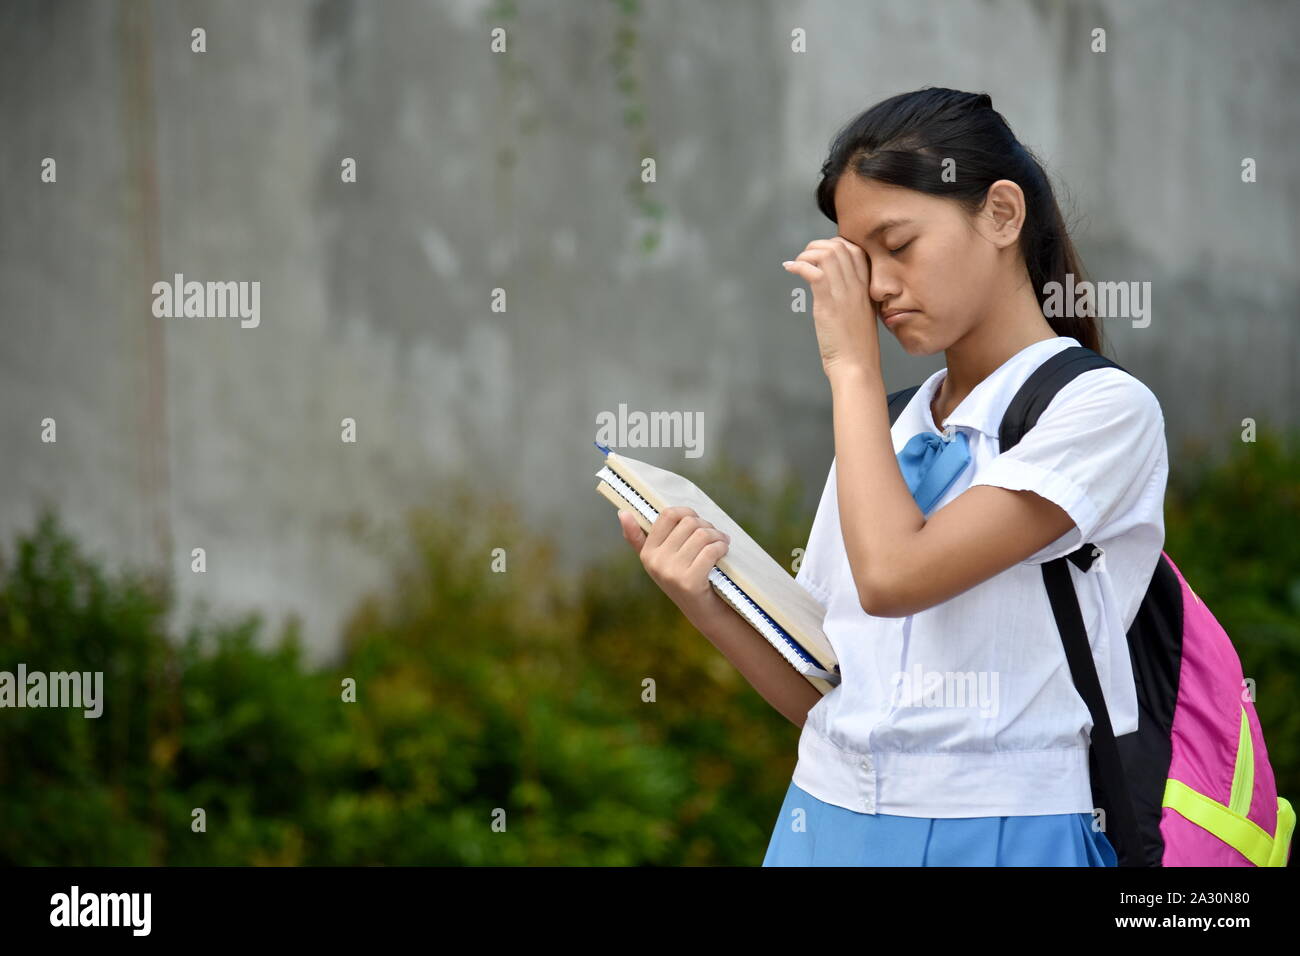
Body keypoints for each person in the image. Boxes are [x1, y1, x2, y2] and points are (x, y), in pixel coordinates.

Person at [617, 87, 1167, 866]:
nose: (874, 288)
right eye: (857, 258)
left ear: (1003, 215)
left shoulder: (1103, 411)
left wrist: (850, 369)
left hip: (1007, 835)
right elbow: (830, 702)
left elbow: (894, 576)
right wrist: (703, 604)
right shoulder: (892, 428)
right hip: (824, 822)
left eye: (897, 245)